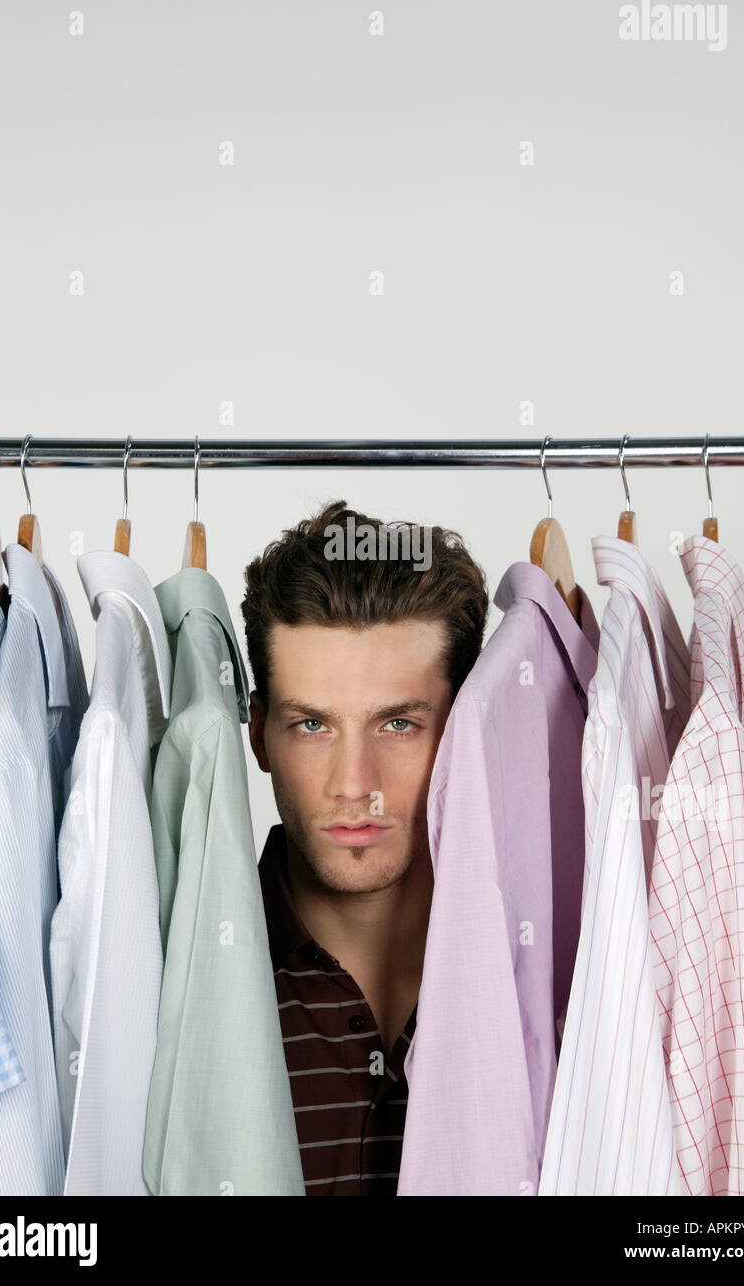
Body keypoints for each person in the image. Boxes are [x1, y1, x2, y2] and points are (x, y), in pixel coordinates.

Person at [241, 498, 489, 1196]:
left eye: (399, 725)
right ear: (258, 732)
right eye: (312, 724)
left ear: (464, 728)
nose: (355, 786)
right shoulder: (170, 971)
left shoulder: (543, 968)